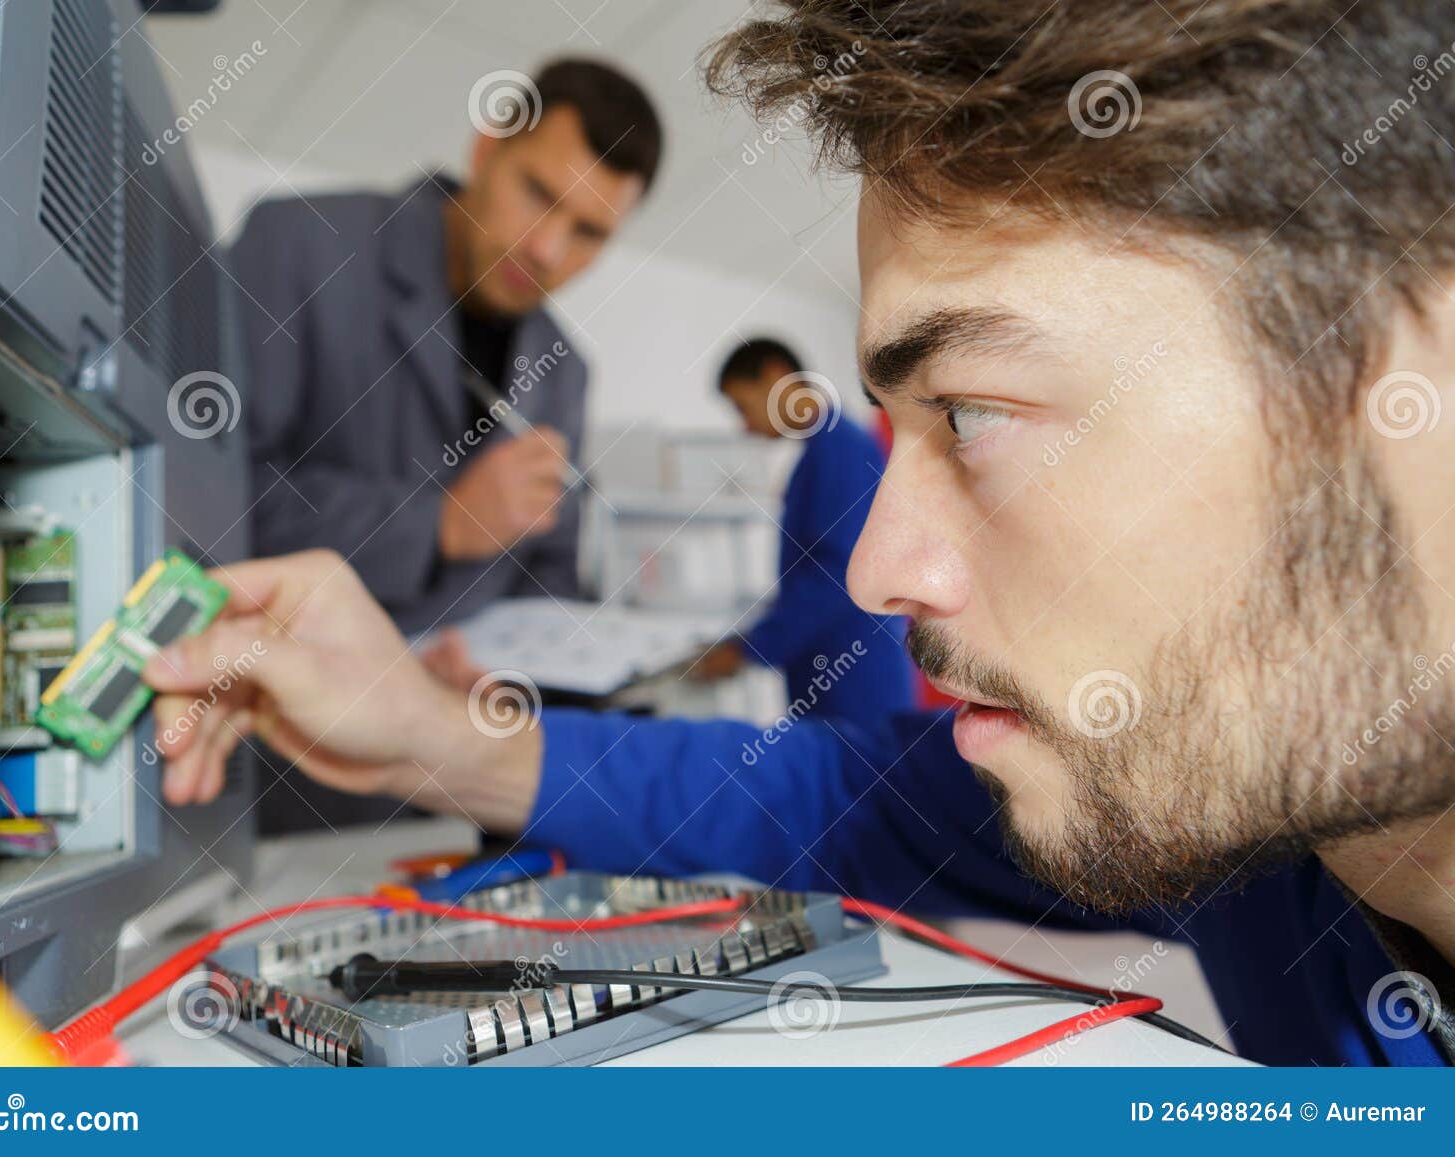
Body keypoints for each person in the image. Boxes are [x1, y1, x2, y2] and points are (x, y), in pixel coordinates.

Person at [148, 0, 1455, 1065]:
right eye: (905, 420)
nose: (883, 569)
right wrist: (440, 734)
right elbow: (831, 798)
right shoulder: (1226, 803)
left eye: (979, 411)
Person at [231, 59, 660, 832]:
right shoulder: (300, 245)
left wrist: (523, 675)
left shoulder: (566, 369)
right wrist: (439, 523)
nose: (550, 250)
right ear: (486, 147)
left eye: (590, 232)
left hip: (457, 783)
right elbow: (213, 506)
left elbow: (549, 565)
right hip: (283, 776)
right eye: (539, 195)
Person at [689, 338, 914, 721]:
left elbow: (835, 576)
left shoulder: (841, 450)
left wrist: (750, 649)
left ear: (776, 377)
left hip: (852, 674)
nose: (745, 427)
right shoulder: (822, 450)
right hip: (831, 666)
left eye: (743, 408)